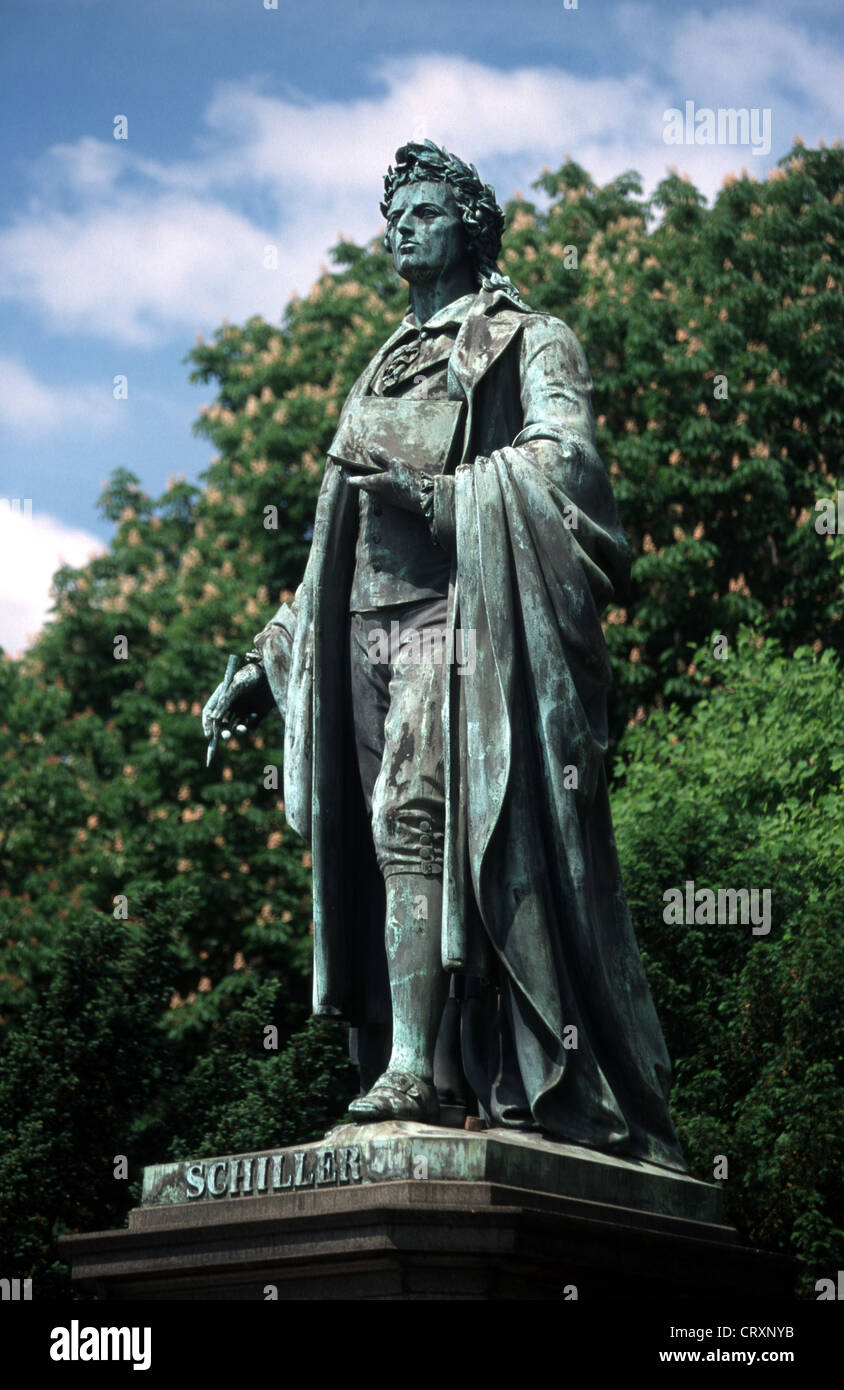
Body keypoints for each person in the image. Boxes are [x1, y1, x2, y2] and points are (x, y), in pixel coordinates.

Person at [202, 140, 686, 1171]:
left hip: (462, 619)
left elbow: (571, 469)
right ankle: (437, 1065)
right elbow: (330, 546)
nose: (401, 227)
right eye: (393, 214)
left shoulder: (528, 339)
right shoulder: (378, 363)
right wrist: (266, 653)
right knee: (384, 852)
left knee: (410, 816)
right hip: (359, 634)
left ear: (470, 223)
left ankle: (414, 1068)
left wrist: (447, 496)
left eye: (423, 210)